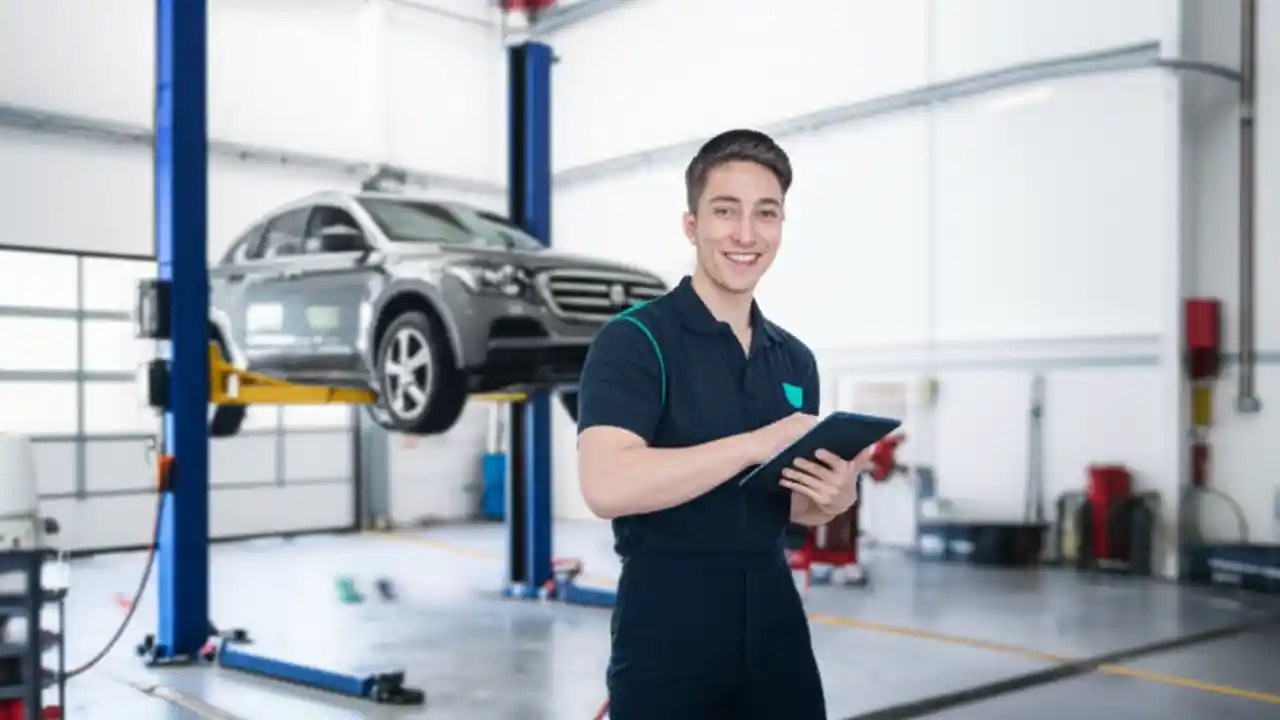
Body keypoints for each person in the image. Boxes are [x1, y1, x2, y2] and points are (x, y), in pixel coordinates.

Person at [575, 128, 870, 719]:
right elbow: (606, 485)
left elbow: (793, 506)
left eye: (766, 214)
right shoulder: (636, 341)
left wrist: (834, 497)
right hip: (668, 616)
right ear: (691, 225)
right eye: (725, 211)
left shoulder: (794, 359)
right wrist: (754, 444)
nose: (746, 234)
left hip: (773, 615)